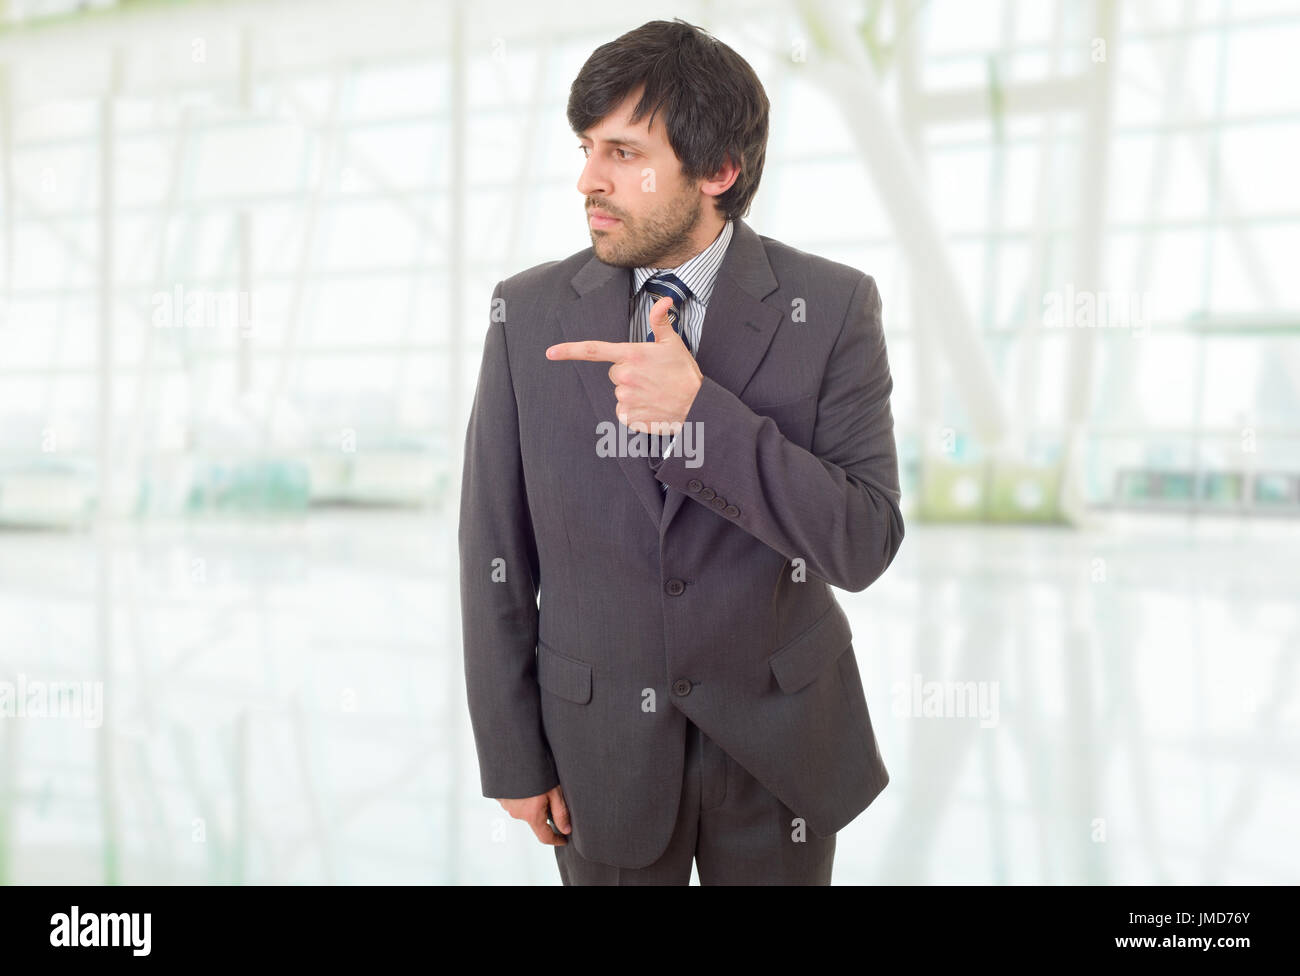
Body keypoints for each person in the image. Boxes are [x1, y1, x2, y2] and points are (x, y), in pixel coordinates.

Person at [459, 18, 904, 885]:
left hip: (784, 754)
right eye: (588, 148)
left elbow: (864, 541)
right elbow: (492, 551)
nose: (589, 179)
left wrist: (704, 416)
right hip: (598, 753)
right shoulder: (528, 314)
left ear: (717, 171)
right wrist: (512, 756)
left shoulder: (834, 306)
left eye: (625, 153)